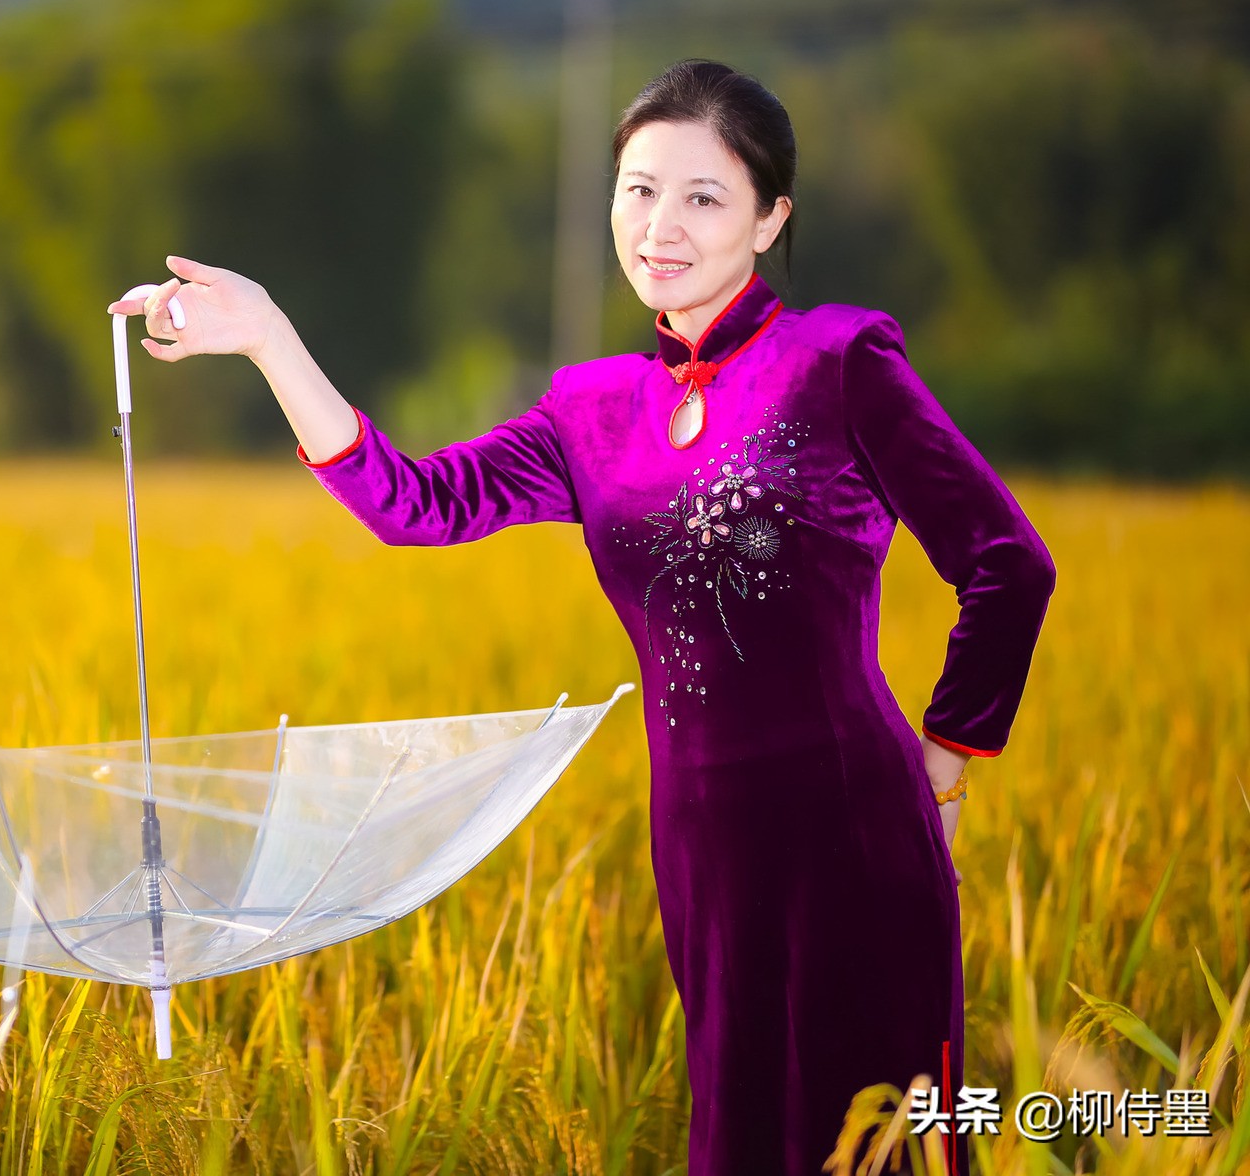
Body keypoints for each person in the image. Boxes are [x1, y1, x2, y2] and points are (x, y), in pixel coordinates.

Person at [107, 57, 1054, 1176]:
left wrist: (945, 768)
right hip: (702, 844)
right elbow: (413, 504)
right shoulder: (593, 408)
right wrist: (270, 337)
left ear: (770, 220)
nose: (662, 225)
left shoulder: (838, 364)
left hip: (851, 832)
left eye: (704, 197)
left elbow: (1009, 564)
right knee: (739, 1141)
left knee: (879, 1145)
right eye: (639, 190)